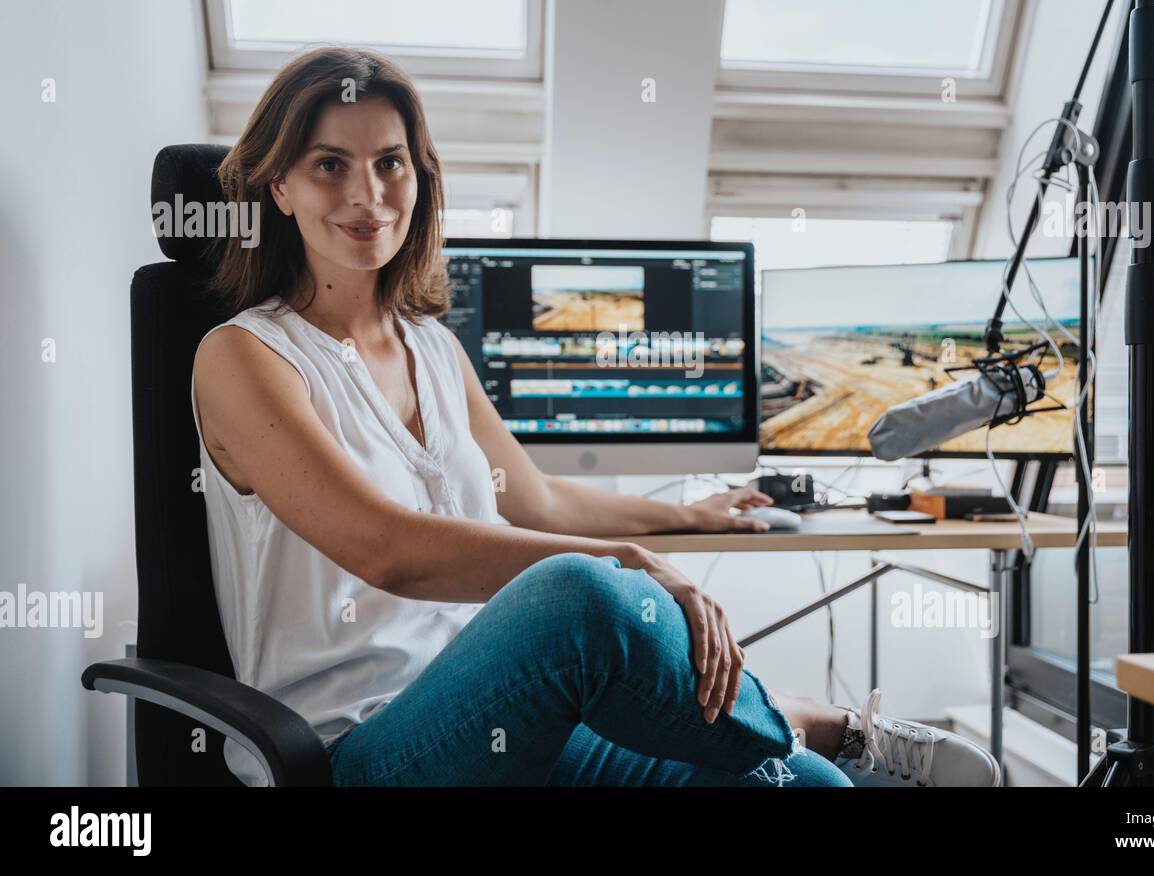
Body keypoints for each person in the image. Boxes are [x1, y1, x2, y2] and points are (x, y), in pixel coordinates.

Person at [191, 46, 1000, 787]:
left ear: (418, 177)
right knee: (581, 594)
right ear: (280, 186)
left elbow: (536, 501)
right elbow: (386, 548)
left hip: (513, 715)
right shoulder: (244, 357)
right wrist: (629, 564)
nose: (367, 194)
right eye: (330, 165)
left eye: (389, 163)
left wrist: (687, 517)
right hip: (358, 749)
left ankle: (819, 744)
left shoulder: (431, 348)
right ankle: (811, 718)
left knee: (805, 788)